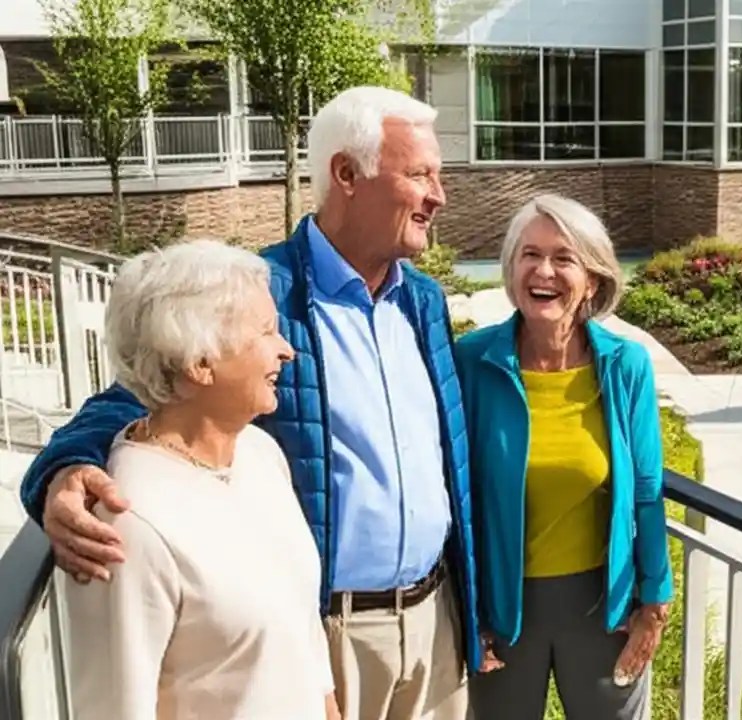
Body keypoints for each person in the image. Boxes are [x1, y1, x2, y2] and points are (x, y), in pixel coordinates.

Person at [19, 86, 483, 720]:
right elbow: (148, 388)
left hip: (436, 621)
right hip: (330, 632)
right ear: (347, 174)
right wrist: (64, 469)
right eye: (420, 175)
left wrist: (474, 605)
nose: (440, 196)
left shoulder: (421, 301)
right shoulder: (257, 297)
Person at [59, 239, 335, 720]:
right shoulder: (129, 523)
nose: (287, 350)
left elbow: (302, 632)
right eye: (265, 333)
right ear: (199, 363)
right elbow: (115, 707)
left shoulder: (258, 453)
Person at [455, 194, 674, 720]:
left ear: (592, 280)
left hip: (604, 608)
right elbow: (454, 494)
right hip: (503, 613)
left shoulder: (625, 366)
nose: (544, 271)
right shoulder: (472, 362)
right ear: (511, 270)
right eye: (529, 254)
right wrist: (466, 611)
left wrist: (654, 604)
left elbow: (647, 492)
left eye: (564, 258)